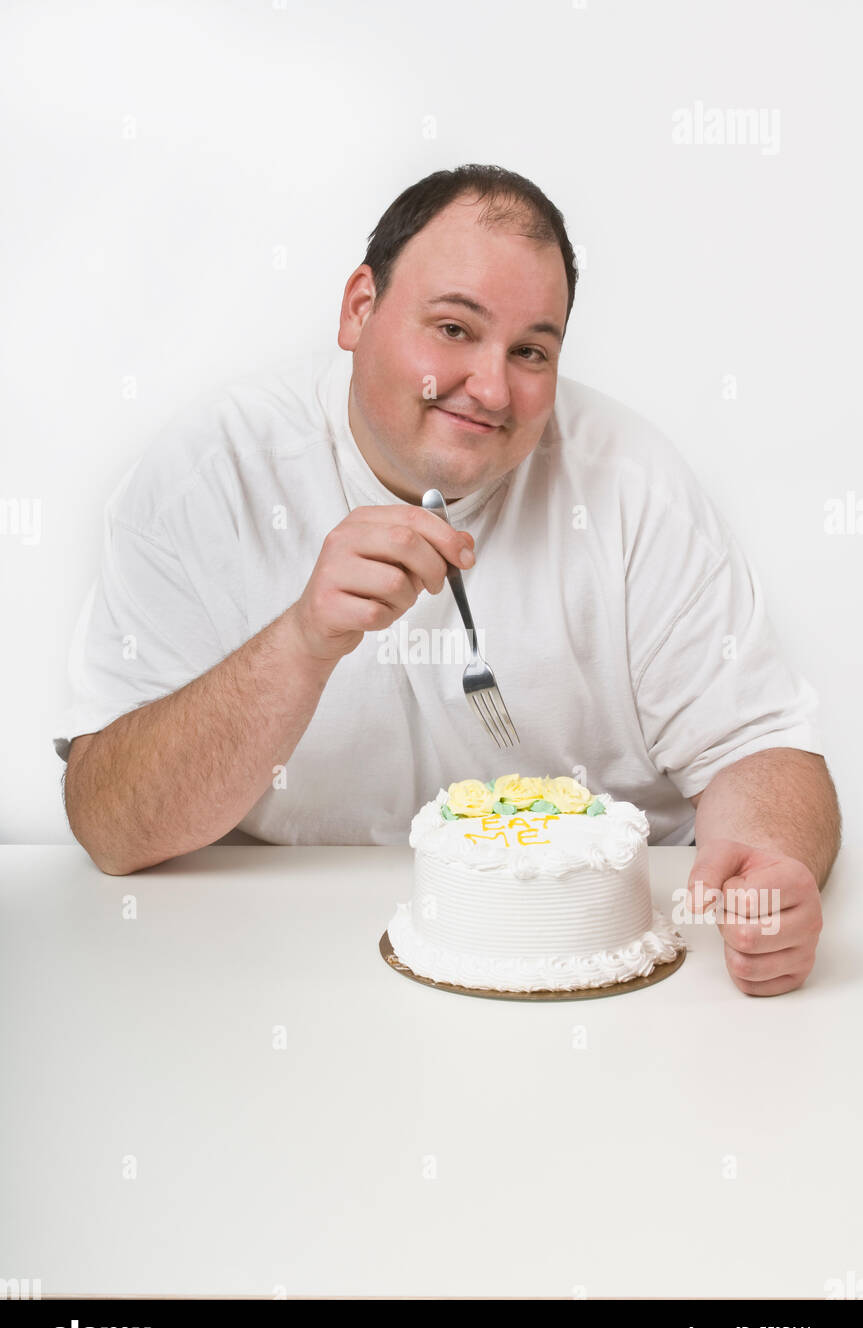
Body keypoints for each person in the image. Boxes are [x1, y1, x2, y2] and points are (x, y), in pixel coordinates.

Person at [55, 163, 840, 995]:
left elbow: (761, 752)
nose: (492, 389)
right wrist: (299, 644)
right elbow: (111, 827)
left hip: (608, 966)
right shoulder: (205, 479)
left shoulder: (630, 485)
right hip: (285, 974)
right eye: (455, 330)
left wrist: (766, 870)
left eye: (531, 350)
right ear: (359, 308)